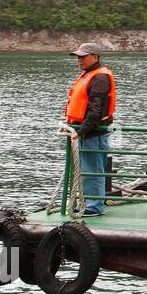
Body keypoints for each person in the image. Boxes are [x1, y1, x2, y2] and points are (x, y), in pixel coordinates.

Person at [60, 42, 116, 217]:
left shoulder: (100, 78)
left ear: (95, 57)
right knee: (88, 170)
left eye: (83, 57)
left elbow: (96, 112)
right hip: (87, 132)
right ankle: (88, 203)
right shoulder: (91, 75)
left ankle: (94, 206)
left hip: (93, 134)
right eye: (78, 57)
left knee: (93, 171)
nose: (79, 60)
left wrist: (80, 131)